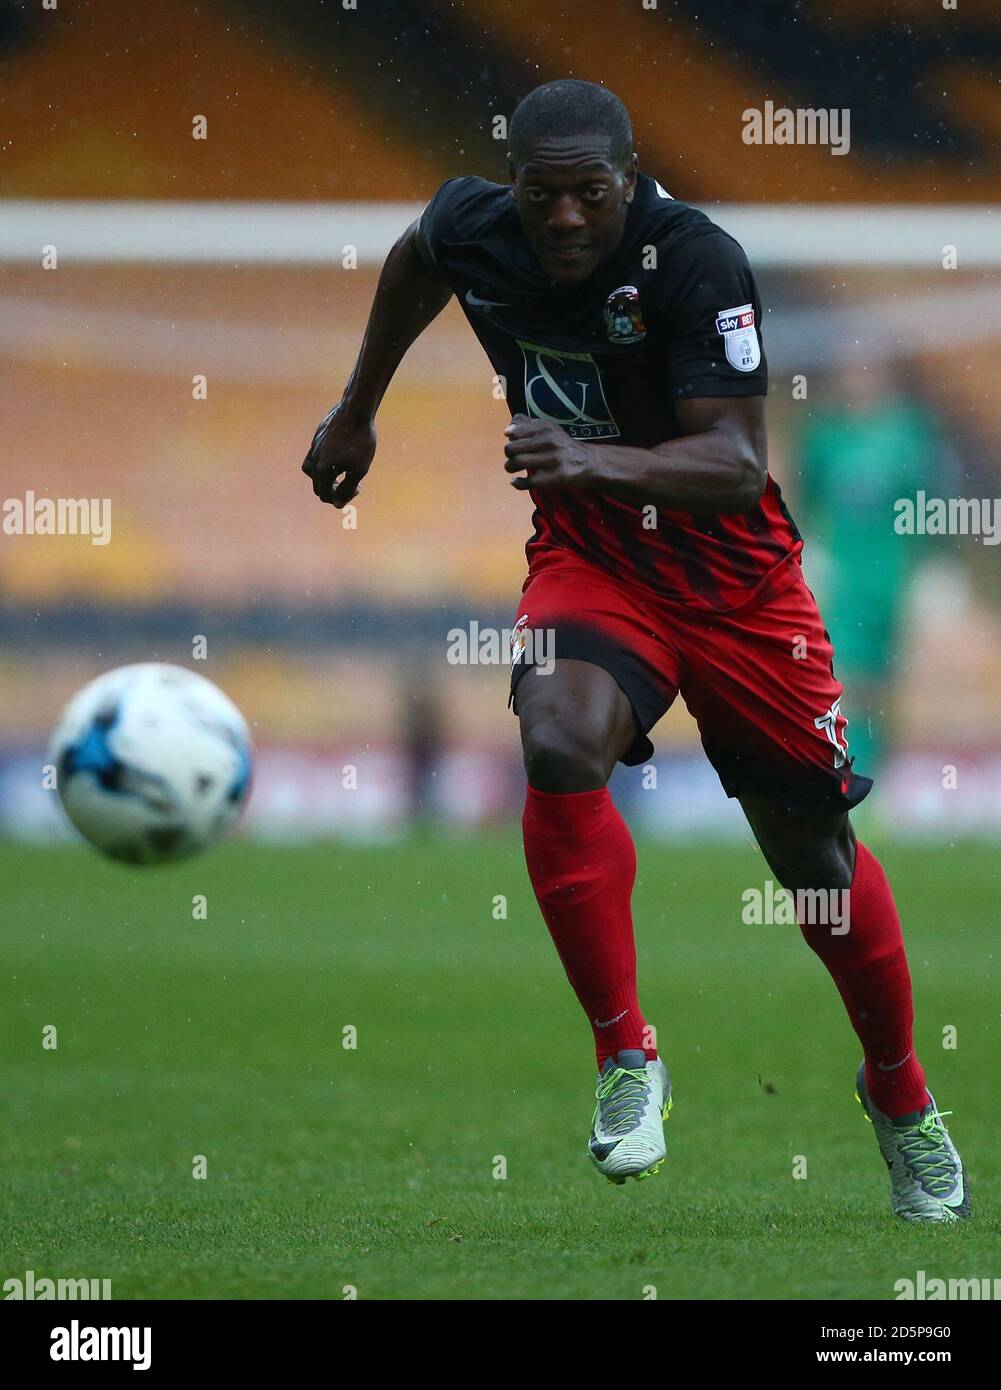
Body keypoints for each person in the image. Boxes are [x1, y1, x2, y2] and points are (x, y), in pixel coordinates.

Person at [301, 80, 968, 1221]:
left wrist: (589, 459)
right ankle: (626, 1057)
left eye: (588, 195)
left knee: (811, 859)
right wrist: (358, 406)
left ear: (629, 180)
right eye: (540, 195)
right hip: (596, 567)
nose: (561, 219)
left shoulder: (693, 261)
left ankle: (899, 1098)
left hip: (735, 589)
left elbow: (734, 465)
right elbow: (418, 255)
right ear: (513, 187)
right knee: (557, 738)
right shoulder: (477, 224)